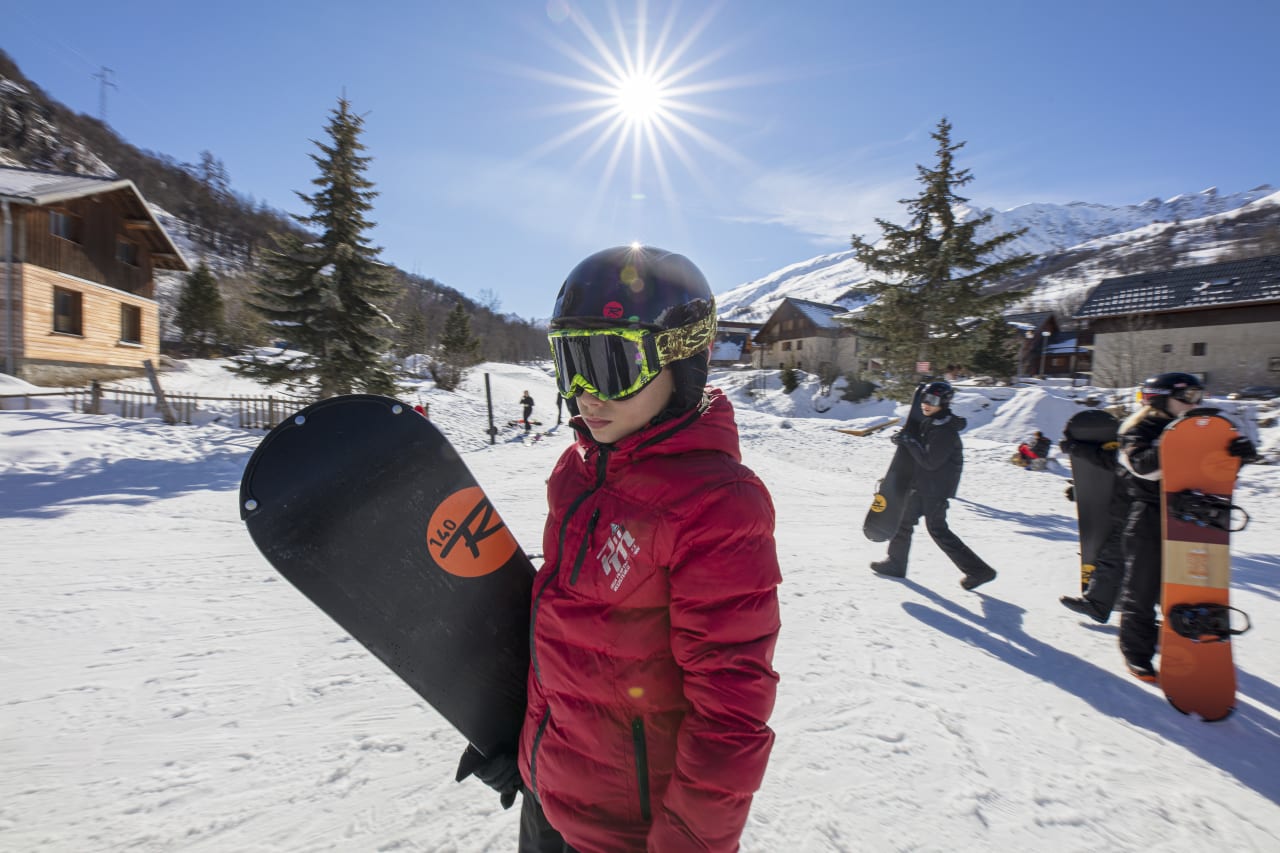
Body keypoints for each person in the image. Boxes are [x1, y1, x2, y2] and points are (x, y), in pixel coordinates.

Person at [460, 245, 782, 851]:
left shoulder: (720, 506)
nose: (585, 395)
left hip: (627, 835)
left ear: (682, 363)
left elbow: (730, 719)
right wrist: (519, 739)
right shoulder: (577, 470)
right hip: (548, 796)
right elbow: (566, 634)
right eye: (570, 364)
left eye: (610, 365)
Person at [1112, 372, 1257, 681]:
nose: (1195, 403)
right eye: (1187, 397)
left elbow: (1210, 471)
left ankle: (1186, 639)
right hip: (1149, 517)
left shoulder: (1195, 429)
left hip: (1195, 517)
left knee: (1188, 587)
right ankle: (1137, 653)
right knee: (1142, 588)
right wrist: (1175, 439)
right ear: (1161, 397)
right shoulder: (1138, 428)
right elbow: (1142, 468)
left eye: (1198, 397)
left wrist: (1234, 455)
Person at [870, 380, 998, 591]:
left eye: (932, 400)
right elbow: (918, 450)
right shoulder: (933, 422)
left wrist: (909, 443)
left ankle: (979, 571)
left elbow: (930, 461)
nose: (926, 404)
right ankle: (895, 564)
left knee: (938, 530)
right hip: (923, 486)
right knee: (904, 522)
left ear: (944, 403)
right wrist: (904, 440)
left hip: (936, 491)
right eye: (925, 399)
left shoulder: (945, 430)